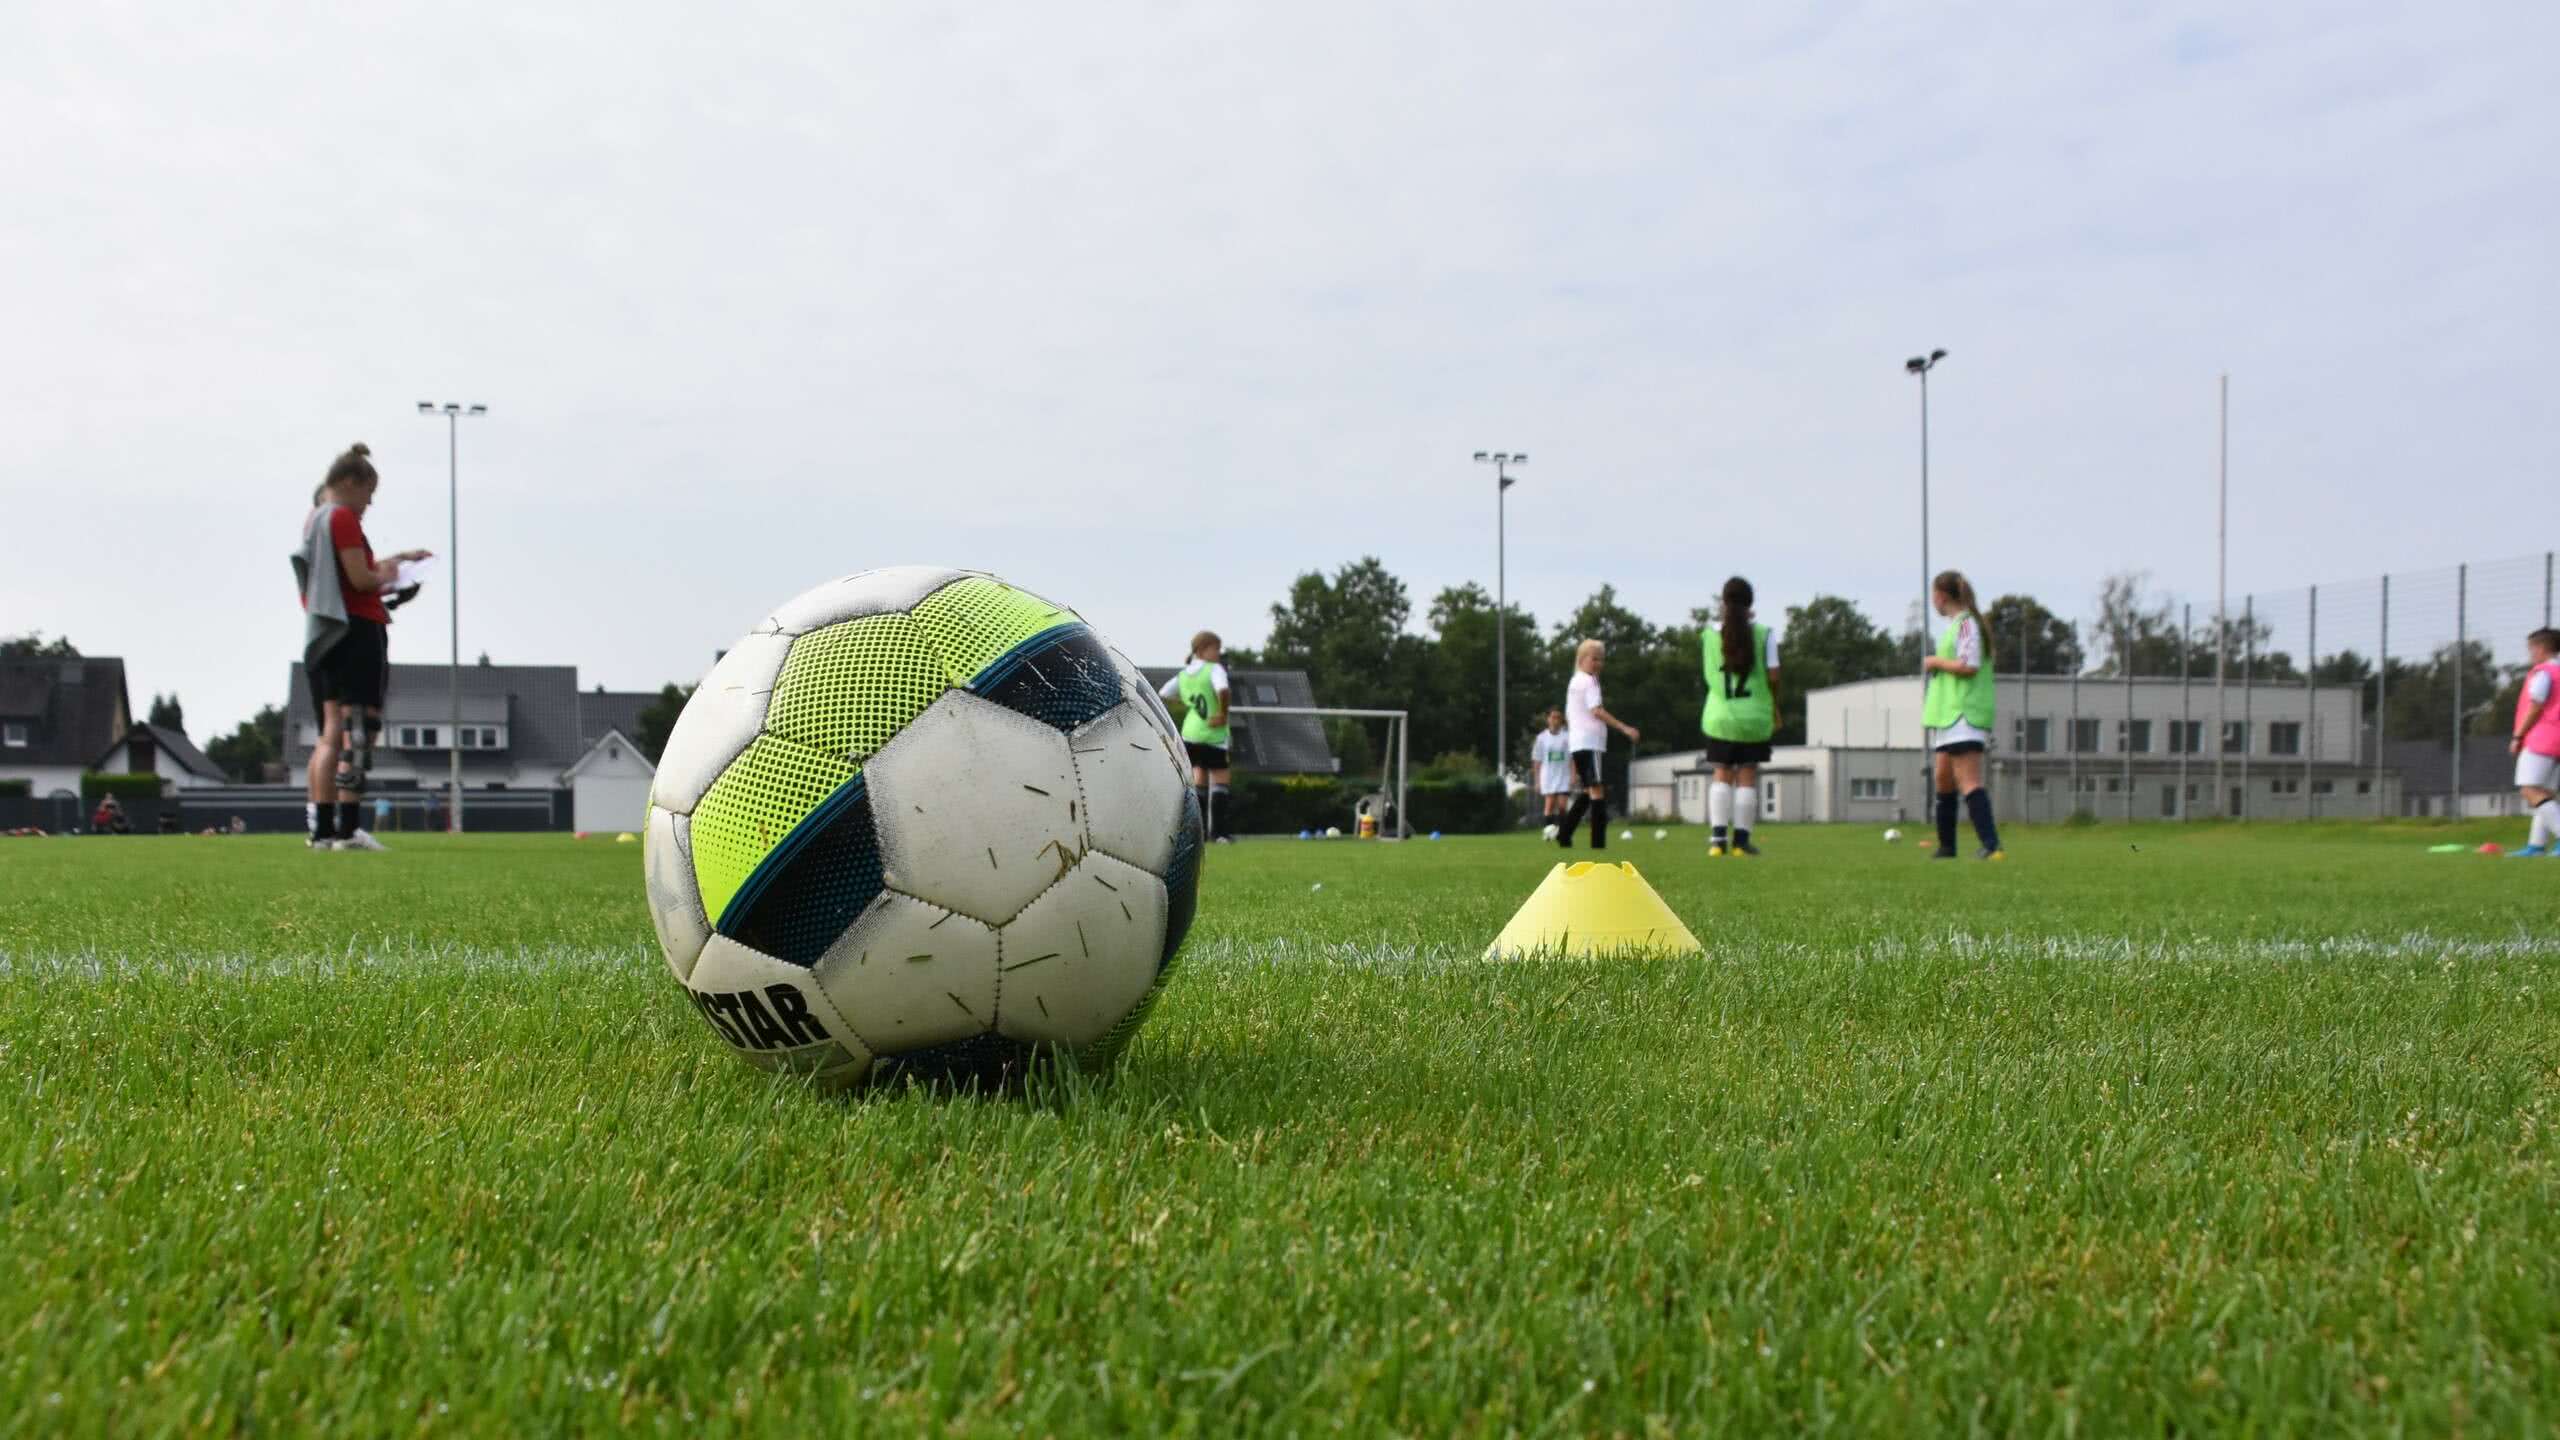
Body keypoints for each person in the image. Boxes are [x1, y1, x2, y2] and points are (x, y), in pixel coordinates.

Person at [295, 443, 429, 853]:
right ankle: (348, 829)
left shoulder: (314, 518)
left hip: (324, 635)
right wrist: (391, 575)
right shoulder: (343, 518)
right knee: (360, 729)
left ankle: (321, 830)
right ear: (351, 483)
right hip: (358, 631)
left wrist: (394, 560)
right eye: (369, 493)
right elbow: (360, 579)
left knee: (329, 732)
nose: (369, 504)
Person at [1921, 569, 2004, 860]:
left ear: (1941, 596)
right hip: (1947, 715)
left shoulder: (1967, 624)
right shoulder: (1957, 625)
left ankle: (1992, 845)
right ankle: (1947, 847)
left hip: (1963, 714)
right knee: (1943, 778)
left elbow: (1968, 665)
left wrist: (1935, 662)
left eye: (1933, 594)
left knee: (1968, 779)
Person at [1701, 576, 1782, 857]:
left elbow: (1709, 673)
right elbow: (1773, 676)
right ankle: (1741, 842)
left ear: (1723, 602)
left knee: (1721, 773)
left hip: (1721, 716)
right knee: (1747, 775)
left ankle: (1717, 841)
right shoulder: (1764, 633)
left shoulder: (1710, 634)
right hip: (1754, 718)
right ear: (1751, 603)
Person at [1557, 639, 1639, 850]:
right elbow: (1596, 711)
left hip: (1578, 743)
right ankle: (1598, 844)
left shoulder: (1574, 681)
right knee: (1596, 791)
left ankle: (1564, 833)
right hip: (1589, 742)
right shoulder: (1589, 681)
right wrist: (1624, 728)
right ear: (1582, 659)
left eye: (1601, 660)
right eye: (1594, 659)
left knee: (1588, 790)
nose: (1598, 664)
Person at [1158, 630, 1235, 843]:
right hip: (1214, 734)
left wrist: (1186, 705)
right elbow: (1224, 691)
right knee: (1220, 780)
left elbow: (1163, 694)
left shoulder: (1184, 675)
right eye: (1216, 648)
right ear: (1203, 650)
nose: (1219, 653)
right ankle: (1219, 834)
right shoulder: (1214, 670)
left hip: (1191, 733)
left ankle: (1197, 834)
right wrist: (1222, 713)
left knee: (1198, 779)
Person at [2507, 627, 2560, 856]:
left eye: (2531, 650)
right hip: (2557, 740)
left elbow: (2535, 705)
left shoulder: (2543, 673)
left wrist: (2518, 735)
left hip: (2541, 738)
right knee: (2544, 793)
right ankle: (2536, 845)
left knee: (2529, 790)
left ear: (2540, 648)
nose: (2530, 655)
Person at [1530, 708, 1573, 828]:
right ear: (1548, 719)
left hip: (1564, 776)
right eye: (1553, 717)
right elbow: (1537, 760)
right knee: (1549, 806)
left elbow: (1572, 758)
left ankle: (1563, 832)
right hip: (1548, 776)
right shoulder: (1541, 738)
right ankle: (1548, 832)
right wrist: (1537, 781)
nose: (1555, 720)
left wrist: (1573, 776)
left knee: (1562, 806)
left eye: (1558, 717)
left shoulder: (1567, 737)